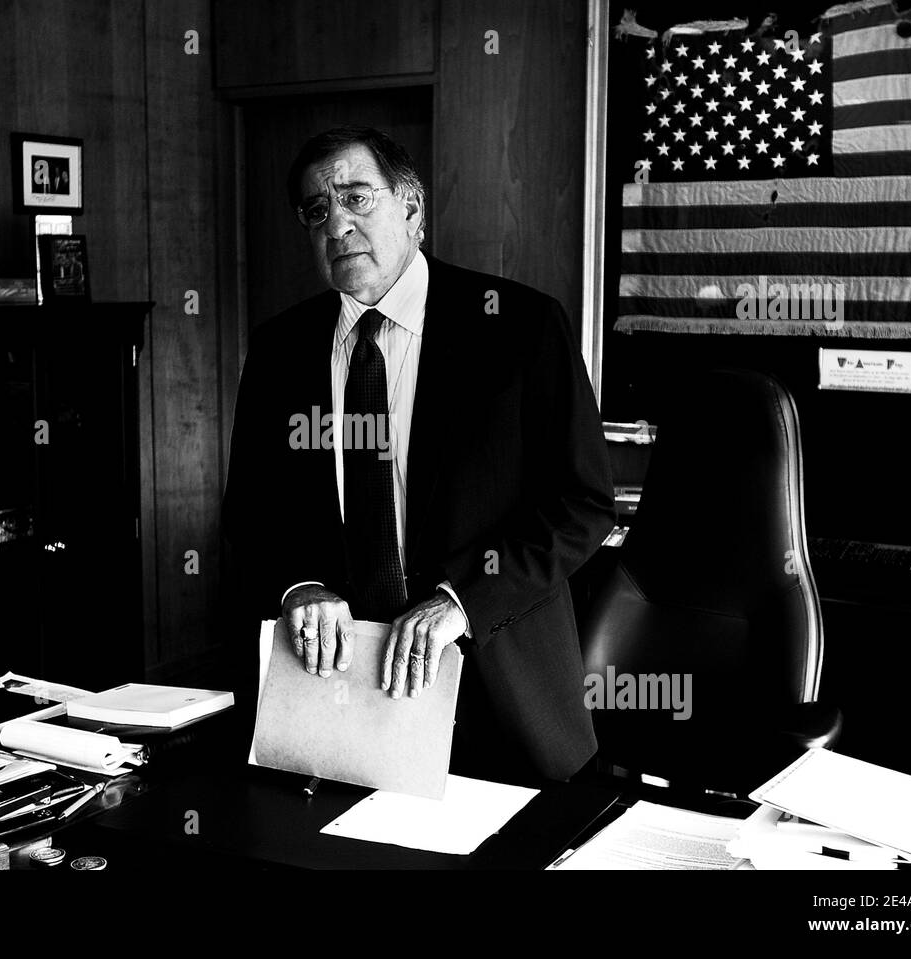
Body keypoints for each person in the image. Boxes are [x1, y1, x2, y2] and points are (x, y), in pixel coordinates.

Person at [223, 126, 616, 782]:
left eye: (356, 198)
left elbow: (583, 503)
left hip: (499, 695)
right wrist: (300, 584)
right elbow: (250, 511)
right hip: (339, 701)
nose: (337, 223)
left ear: (411, 209)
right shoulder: (278, 349)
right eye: (317, 210)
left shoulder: (520, 327)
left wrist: (461, 600)